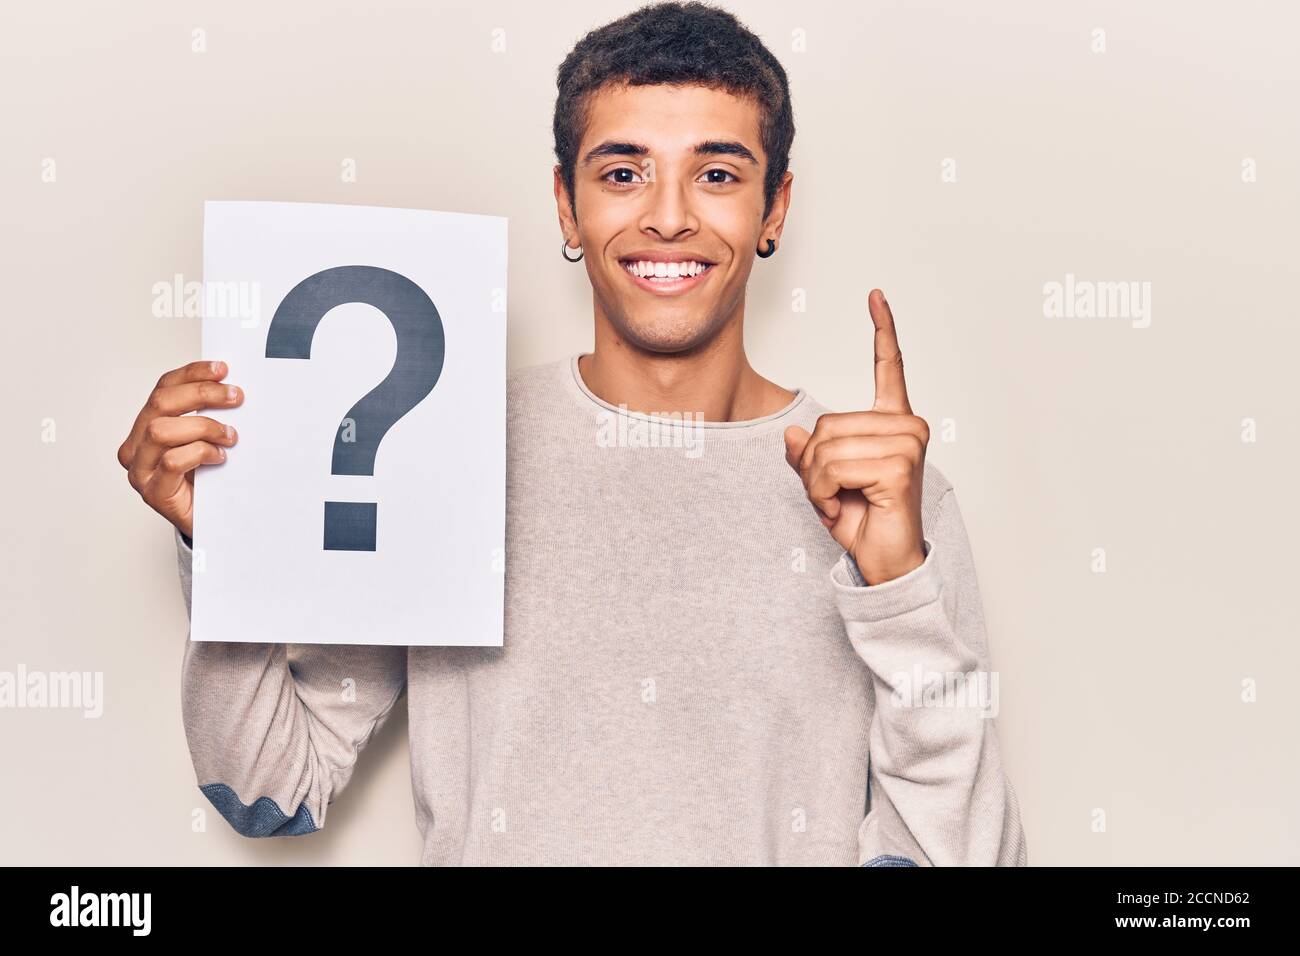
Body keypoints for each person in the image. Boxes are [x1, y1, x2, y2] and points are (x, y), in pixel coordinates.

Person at [117, 1, 1026, 866]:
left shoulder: (890, 498)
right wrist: (224, 539)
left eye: (717, 174)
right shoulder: (446, 445)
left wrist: (899, 590)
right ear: (566, 203)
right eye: (623, 172)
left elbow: (958, 859)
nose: (668, 215)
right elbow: (270, 791)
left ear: (774, 208)